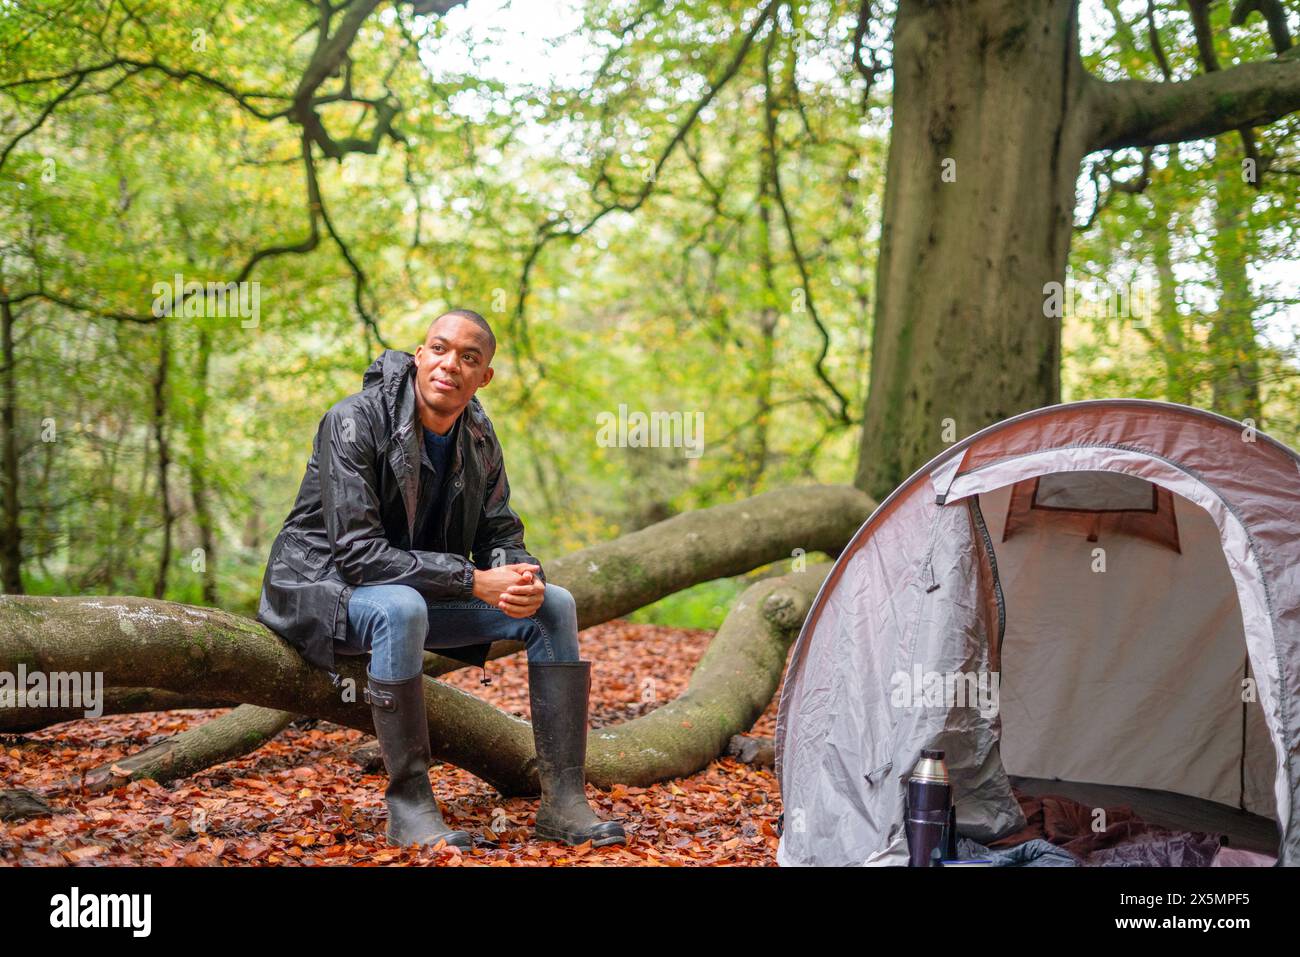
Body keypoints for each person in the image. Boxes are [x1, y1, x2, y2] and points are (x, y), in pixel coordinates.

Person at [256, 308, 625, 849]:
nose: (450, 364)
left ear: (484, 377)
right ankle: (409, 804)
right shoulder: (354, 421)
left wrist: (516, 574)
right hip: (323, 589)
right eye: (440, 348)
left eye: (469, 358)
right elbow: (357, 556)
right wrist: (474, 581)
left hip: (417, 592)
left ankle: (563, 802)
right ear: (419, 355)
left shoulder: (477, 436)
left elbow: (499, 528)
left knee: (555, 605)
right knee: (400, 608)